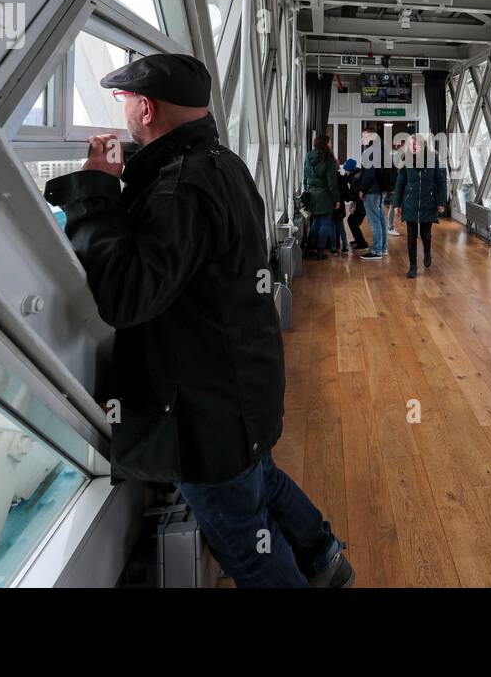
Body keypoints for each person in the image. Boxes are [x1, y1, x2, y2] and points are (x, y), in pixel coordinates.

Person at [44, 53, 351, 588]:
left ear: (145, 108)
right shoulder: (223, 165)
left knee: (246, 544)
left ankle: (321, 564)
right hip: (242, 386)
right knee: (261, 482)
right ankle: (326, 559)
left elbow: (127, 297)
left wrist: (94, 191)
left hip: (207, 410)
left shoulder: (179, 188)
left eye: (123, 105)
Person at [393, 133, 448, 279]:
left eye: (416, 144)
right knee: (411, 236)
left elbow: (441, 181)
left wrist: (442, 202)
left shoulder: (433, 160)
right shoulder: (406, 161)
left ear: (423, 145)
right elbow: (400, 183)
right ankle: (413, 266)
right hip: (410, 203)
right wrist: (396, 204)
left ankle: (427, 252)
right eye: (411, 145)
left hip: (427, 203)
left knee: (425, 235)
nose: (413, 147)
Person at [303, 135, 340, 259]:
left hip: (312, 194)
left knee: (315, 223)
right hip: (325, 196)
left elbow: (305, 176)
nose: (330, 145)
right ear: (326, 144)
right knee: (325, 223)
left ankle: (309, 248)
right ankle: (320, 251)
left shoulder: (308, 156)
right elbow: (332, 183)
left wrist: (307, 189)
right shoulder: (328, 159)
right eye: (329, 142)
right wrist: (337, 200)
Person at [357, 132, 388, 260]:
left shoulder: (370, 152)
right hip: (381, 190)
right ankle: (383, 248)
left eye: (364, 136)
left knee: (375, 220)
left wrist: (362, 189)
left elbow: (369, 174)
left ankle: (377, 250)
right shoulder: (381, 151)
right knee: (381, 220)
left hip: (372, 191)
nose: (362, 139)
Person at [341, 158, 368, 251]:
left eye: (346, 170)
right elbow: (345, 178)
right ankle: (358, 240)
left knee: (352, 222)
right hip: (361, 204)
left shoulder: (356, 178)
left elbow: (356, 195)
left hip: (362, 205)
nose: (345, 172)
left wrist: (347, 197)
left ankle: (362, 243)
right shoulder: (355, 173)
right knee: (353, 222)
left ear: (351, 170)